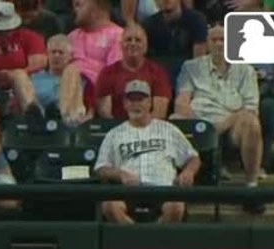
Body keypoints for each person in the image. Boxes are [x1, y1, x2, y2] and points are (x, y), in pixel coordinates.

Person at [175, 24, 263, 211]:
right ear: (207, 44)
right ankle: (176, 191)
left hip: (232, 124)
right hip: (198, 122)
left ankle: (251, 189)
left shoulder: (246, 71)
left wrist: (222, 125)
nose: (219, 44)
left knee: (252, 123)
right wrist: (201, 125)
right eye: (214, 40)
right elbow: (182, 102)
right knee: (176, 117)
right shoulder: (191, 67)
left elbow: (250, 108)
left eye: (223, 40)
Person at [94, 78, 199, 223]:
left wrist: (188, 172)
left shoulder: (168, 129)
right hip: (129, 191)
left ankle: (151, 240)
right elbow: (101, 168)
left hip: (163, 188)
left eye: (140, 99)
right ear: (125, 104)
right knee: (110, 206)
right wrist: (120, 174)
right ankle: (137, 240)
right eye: (131, 100)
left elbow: (193, 157)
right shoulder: (114, 134)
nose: (135, 104)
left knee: (176, 207)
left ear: (149, 103)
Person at [0, 0, 46, 114]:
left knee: (19, 76)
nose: (1, 33)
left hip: (23, 83)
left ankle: (32, 114)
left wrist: (12, 74)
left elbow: (40, 63)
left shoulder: (29, 37)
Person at [95, 24, 172, 120]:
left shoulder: (158, 73)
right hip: (117, 129)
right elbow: (105, 113)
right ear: (121, 45)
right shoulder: (107, 73)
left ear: (146, 46)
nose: (133, 43)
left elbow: (160, 112)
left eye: (138, 40)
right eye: (128, 39)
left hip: (149, 129)